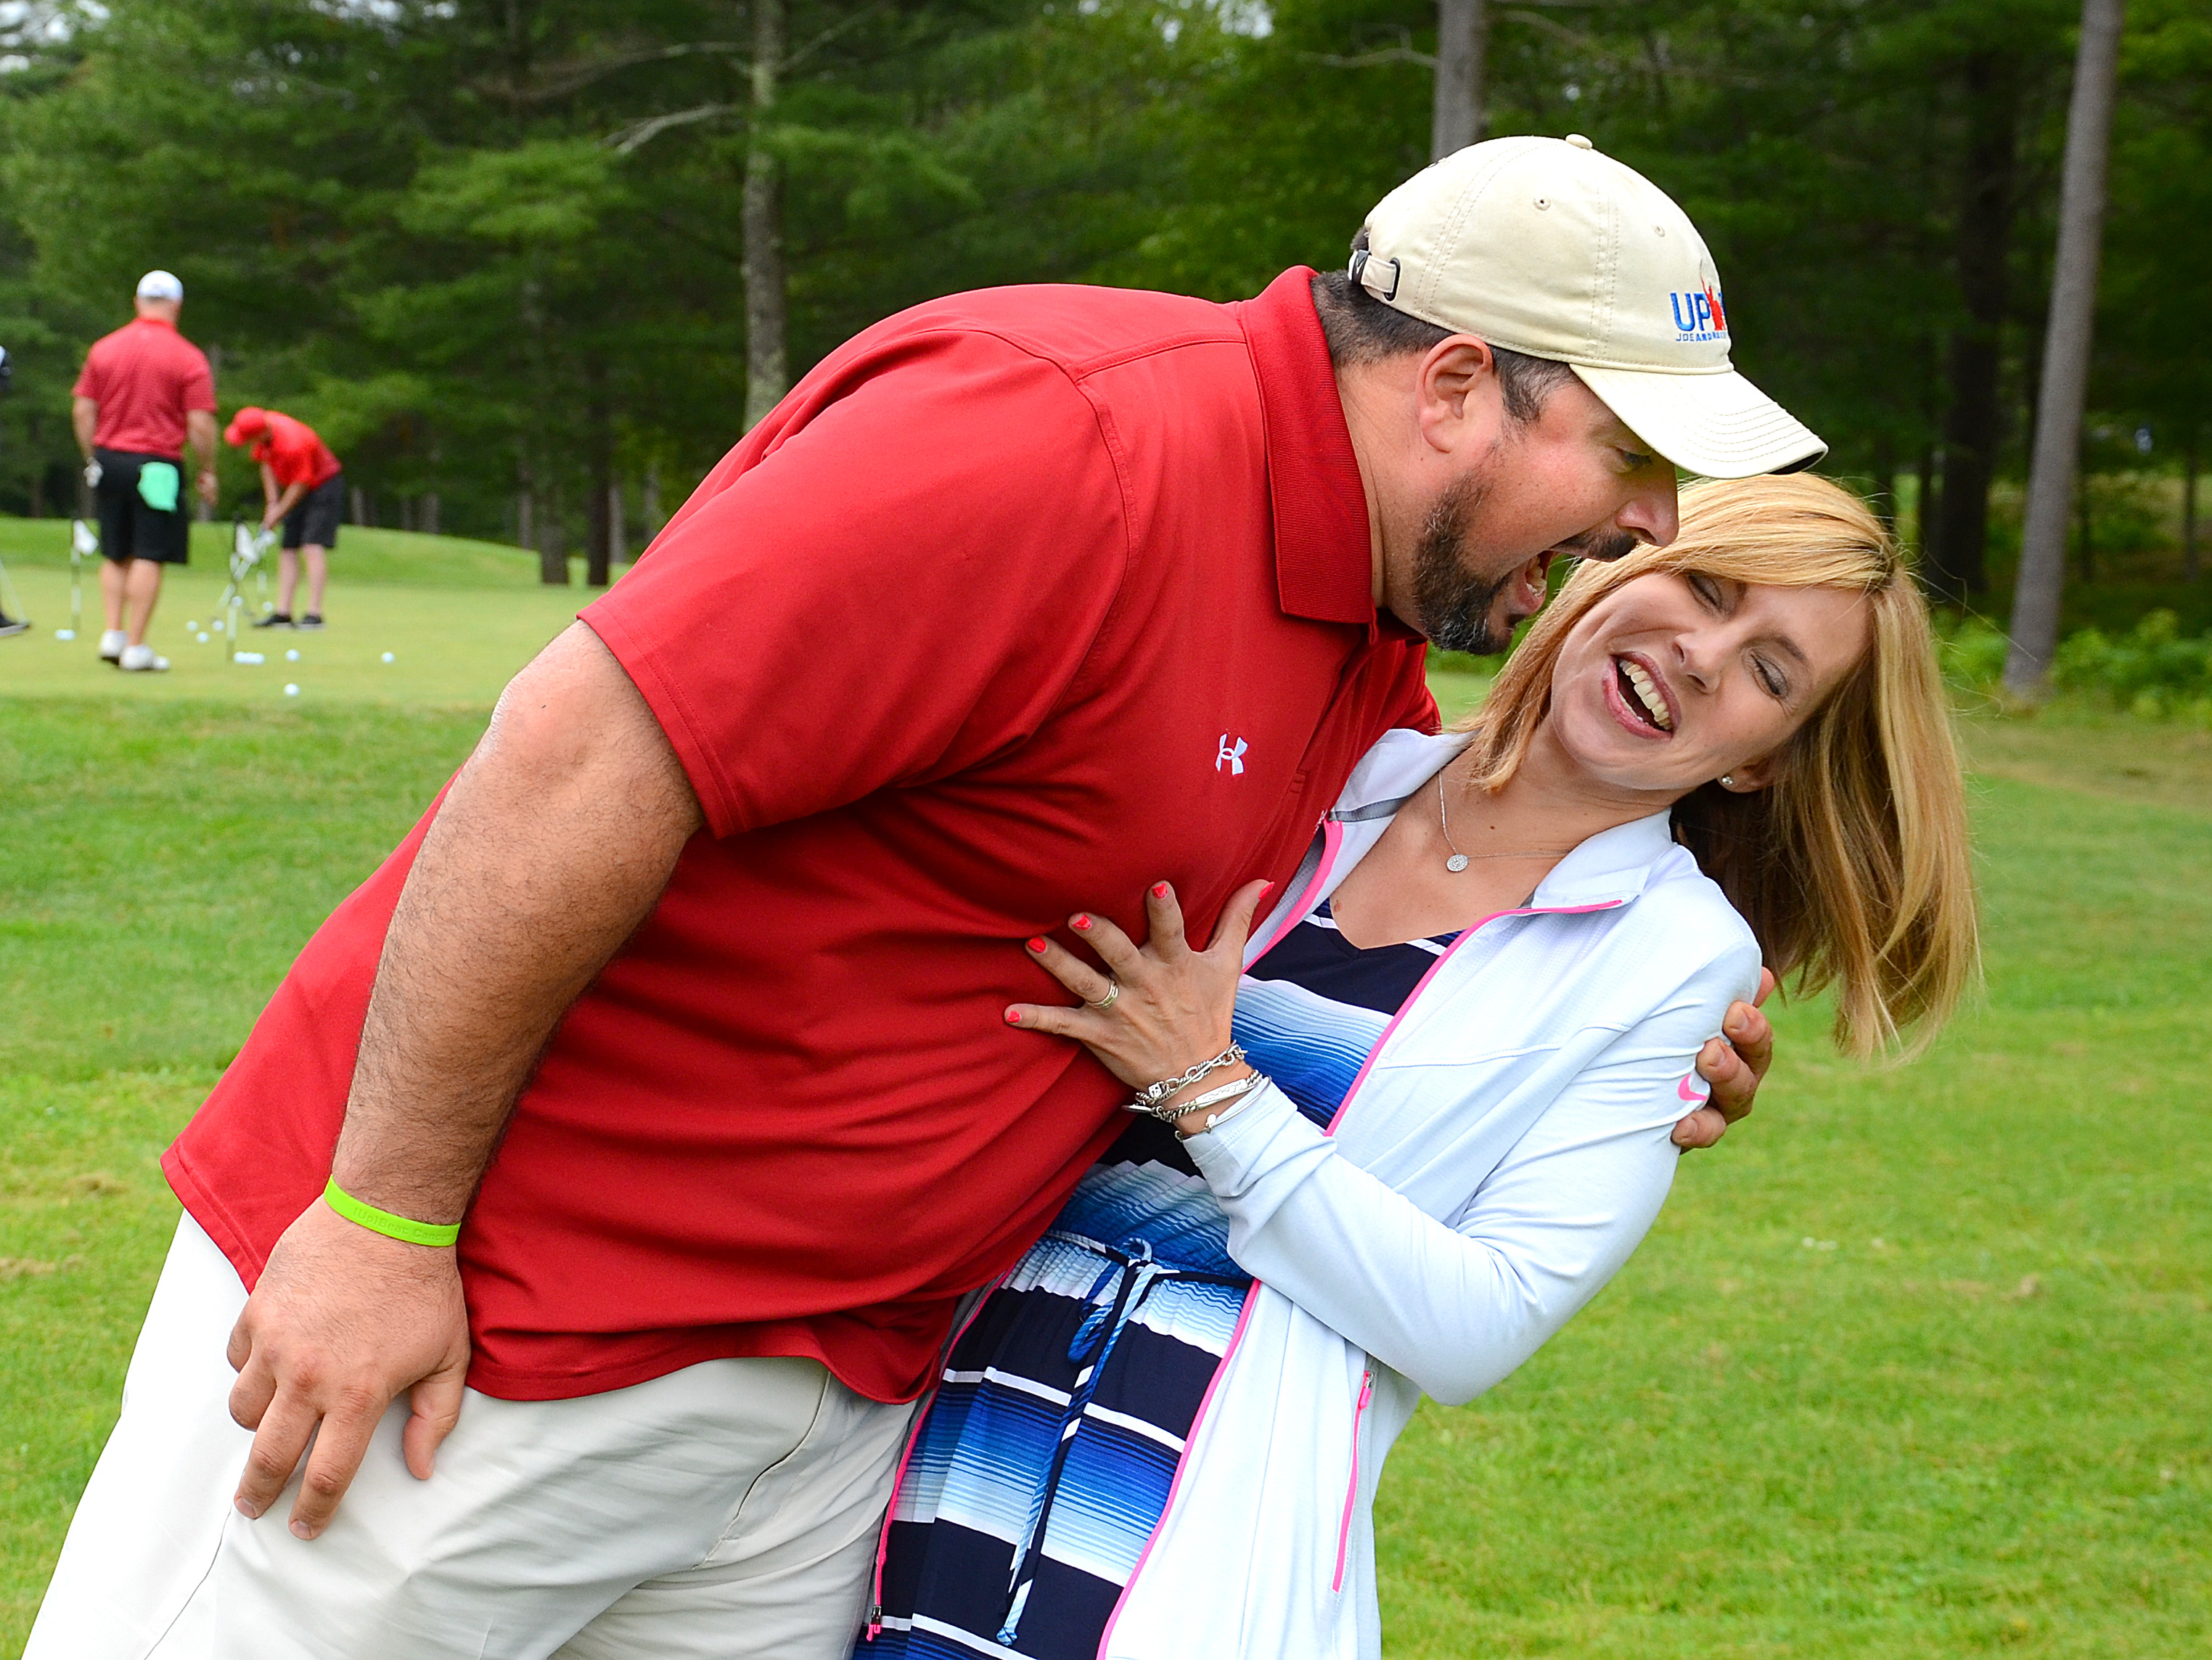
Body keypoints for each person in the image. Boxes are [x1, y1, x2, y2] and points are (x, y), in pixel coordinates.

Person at [27, 136, 1818, 1659]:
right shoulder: (1063, 443)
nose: (1650, 522)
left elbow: (1399, 902)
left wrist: (1656, 1035)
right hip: (493, 1334)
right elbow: (570, 760)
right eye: (1625, 455)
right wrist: (382, 1220)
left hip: (845, 1424)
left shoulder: (1362, 625)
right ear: (1454, 389)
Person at [871, 474, 1979, 1659]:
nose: (1703, 654)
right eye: (1702, 589)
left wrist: (1210, 1088)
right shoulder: (1336, 766)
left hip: (1180, 1548)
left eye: (1769, 673)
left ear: (1760, 763)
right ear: (1610, 567)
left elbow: (1476, 1323)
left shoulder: (1670, 956)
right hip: (923, 1448)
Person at [71, 269, 218, 673]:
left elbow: (83, 410)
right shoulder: (187, 356)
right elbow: (201, 424)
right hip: (158, 465)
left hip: (110, 459)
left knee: (116, 550)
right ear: (177, 305)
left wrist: (92, 458)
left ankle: (113, 633)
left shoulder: (104, 349)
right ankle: (136, 647)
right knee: (150, 552)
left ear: (137, 302)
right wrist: (208, 468)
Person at [223, 405, 345, 629]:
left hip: (323, 486)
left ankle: (314, 614)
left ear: (259, 433)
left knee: (311, 545)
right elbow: (266, 465)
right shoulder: (263, 432)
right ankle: (283, 613)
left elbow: (301, 484)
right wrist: (272, 504)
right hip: (296, 487)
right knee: (288, 547)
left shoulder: (293, 443)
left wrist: (278, 513)